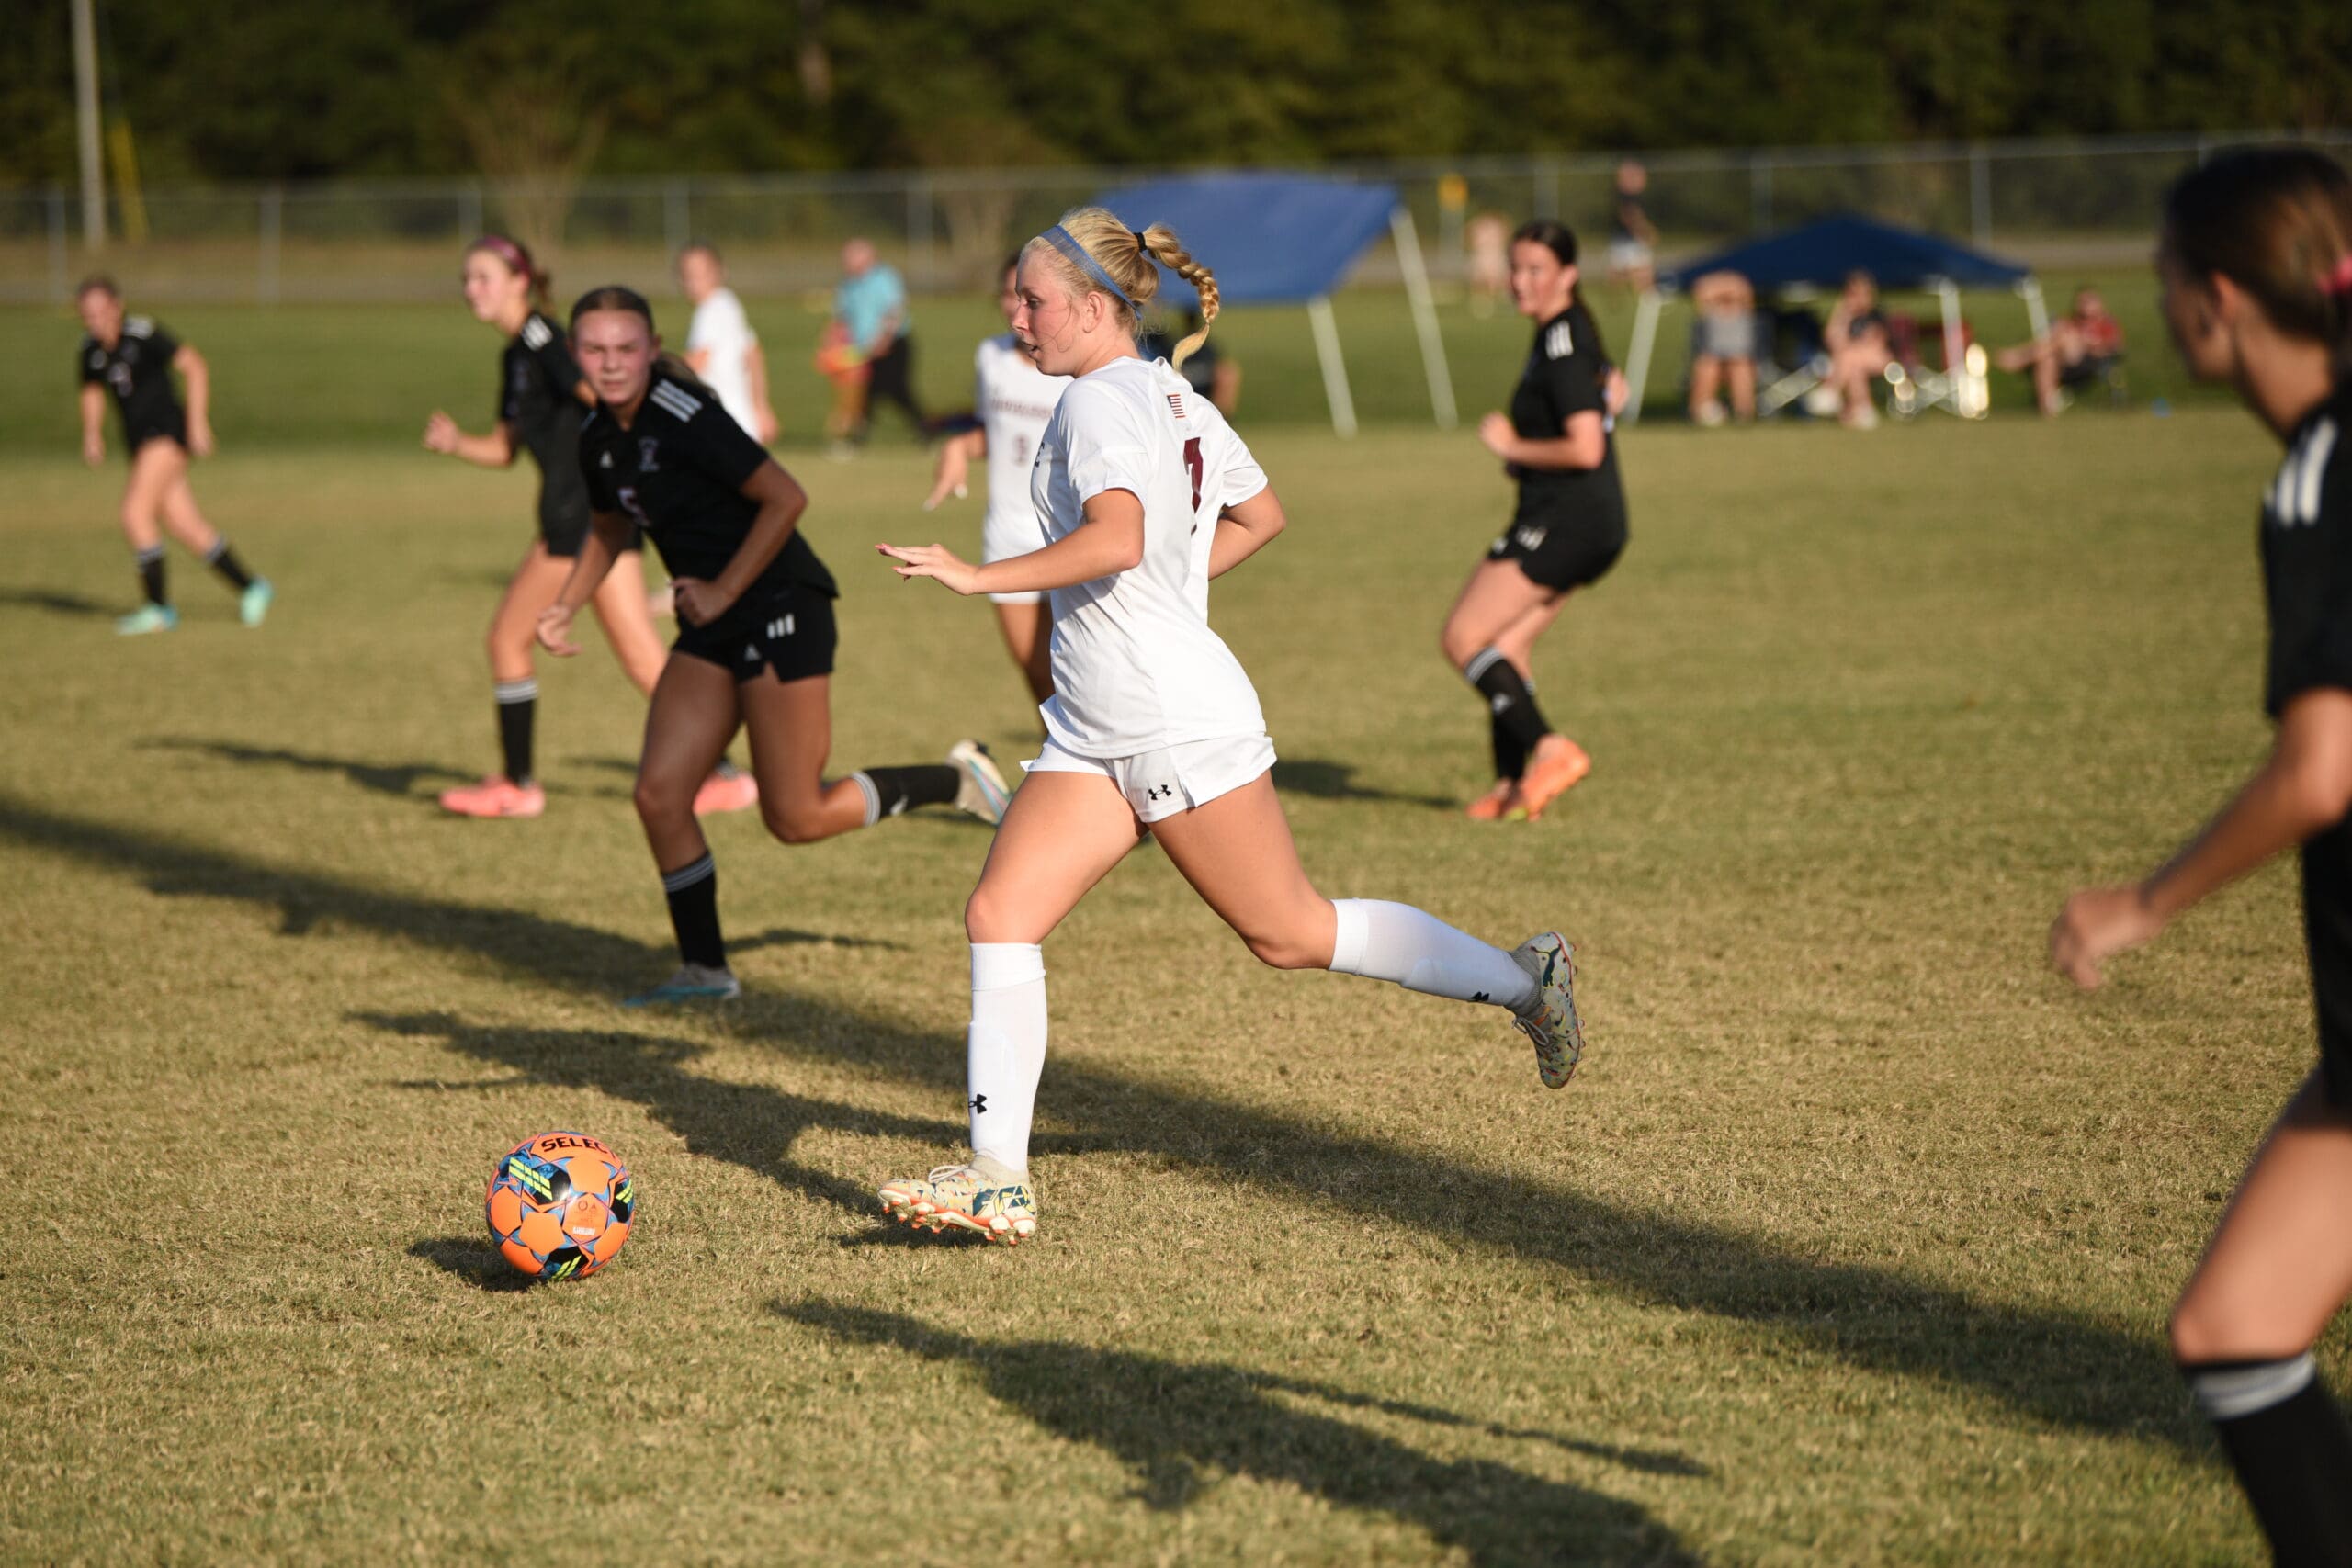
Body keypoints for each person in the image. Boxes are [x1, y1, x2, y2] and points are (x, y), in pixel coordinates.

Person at [872, 209, 1585, 1246]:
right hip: (1095, 725)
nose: (1014, 316)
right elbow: (1259, 517)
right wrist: (1160, 591)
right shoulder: (1168, 389)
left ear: (1094, 307)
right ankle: (997, 1177)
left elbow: (1116, 538)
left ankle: (1530, 980)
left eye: (1031, 301)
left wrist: (984, 576)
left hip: (1167, 719)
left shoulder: (1101, 404)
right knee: (1001, 915)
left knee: (1289, 933)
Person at [2049, 146, 2352, 1565]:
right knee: (2234, 1330)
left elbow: (2322, 768)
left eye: (2164, 280)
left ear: (2218, 301)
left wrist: (2141, 903)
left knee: (2236, 1330)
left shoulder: (2318, 483)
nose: (2162, 306)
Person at [539, 286, 1010, 1005]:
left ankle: (954, 782)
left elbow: (786, 496)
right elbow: (609, 528)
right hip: (712, 619)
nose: (611, 363)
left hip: (781, 604)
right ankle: (705, 971)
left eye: (626, 347)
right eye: (595, 349)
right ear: (577, 352)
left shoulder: (685, 414)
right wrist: (565, 605)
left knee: (795, 817)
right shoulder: (598, 437)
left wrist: (724, 590)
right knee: (660, 794)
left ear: (651, 345)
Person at [423, 236, 754, 820]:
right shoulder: (516, 354)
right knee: (644, 659)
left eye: (482, 277)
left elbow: (605, 393)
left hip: (578, 519)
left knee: (506, 640)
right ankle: (722, 777)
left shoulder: (543, 339)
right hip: (605, 518)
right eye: (466, 279)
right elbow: (503, 450)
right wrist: (455, 444)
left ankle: (518, 786)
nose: (471, 288)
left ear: (519, 281)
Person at [1440, 220, 1628, 825]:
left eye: (1535, 270)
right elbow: (1597, 414)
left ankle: (1551, 749)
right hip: (1587, 520)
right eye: (1516, 267)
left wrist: (1513, 447)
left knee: (1464, 638)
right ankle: (1513, 785)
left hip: (1566, 520)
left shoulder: (1562, 343)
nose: (1519, 280)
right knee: (1507, 648)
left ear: (1568, 276)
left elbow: (1585, 449)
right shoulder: (1564, 332)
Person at [74, 276, 273, 636]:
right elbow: (91, 391)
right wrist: (91, 434)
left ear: (117, 306)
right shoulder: (90, 350)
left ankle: (158, 609)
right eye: (87, 315)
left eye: (101, 312)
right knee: (187, 526)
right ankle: (252, 587)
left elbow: (194, 366)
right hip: (140, 445)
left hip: (166, 434)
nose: (95, 321)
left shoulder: (143, 333)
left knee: (135, 514)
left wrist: (196, 424)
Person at [922, 254, 1070, 707]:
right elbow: (997, 436)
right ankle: (1067, 772)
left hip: (1067, 533)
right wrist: (957, 447)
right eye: (1009, 294)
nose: (1016, 307)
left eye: (1028, 296)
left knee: (1080, 669)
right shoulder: (990, 357)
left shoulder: (1073, 369)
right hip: (1007, 532)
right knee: (1036, 673)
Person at [677, 243, 778, 445]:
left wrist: (656, 373)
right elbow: (753, 353)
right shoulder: (728, 302)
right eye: (689, 274)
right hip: (740, 416)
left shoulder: (711, 309)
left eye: (702, 273)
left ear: (720, 272)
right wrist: (760, 406)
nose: (694, 282)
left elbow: (698, 361)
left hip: (719, 418)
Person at [833, 238, 927, 446]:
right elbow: (842, 315)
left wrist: (884, 340)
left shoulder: (884, 278)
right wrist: (837, 342)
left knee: (897, 391)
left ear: (866, 258)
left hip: (891, 345)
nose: (846, 263)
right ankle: (857, 438)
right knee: (864, 393)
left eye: (850, 259)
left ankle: (925, 428)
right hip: (862, 349)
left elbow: (894, 311)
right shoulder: (848, 284)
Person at [1995, 285, 2126, 415]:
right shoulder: (2071, 321)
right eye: (2082, 301)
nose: (2085, 305)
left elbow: (2114, 346)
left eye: (2089, 301)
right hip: (2063, 362)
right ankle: (2047, 411)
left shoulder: (2105, 323)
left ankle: (2020, 358)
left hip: (2088, 362)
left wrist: (2088, 344)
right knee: (2047, 359)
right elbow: (2048, 339)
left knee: (2066, 336)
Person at [1823, 270, 1895, 429]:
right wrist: (1843, 314)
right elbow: (1832, 340)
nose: (1856, 298)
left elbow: (1876, 343)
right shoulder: (1847, 316)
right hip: (1851, 361)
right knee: (1854, 367)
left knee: (1850, 357)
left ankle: (1831, 391)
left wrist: (1849, 348)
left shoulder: (1876, 315)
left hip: (1882, 359)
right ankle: (1863, 410)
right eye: (1852, 293)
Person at [1688, 269, 1758, 425]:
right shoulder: (1708, 313)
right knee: (1707, 368)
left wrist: (1726, 292)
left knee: (1740, 367)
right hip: (1712, 355)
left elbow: (1743, 290)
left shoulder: (1744, 311)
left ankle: (1744, 415)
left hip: (1740, 356)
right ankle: (1701, 413)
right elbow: (1703, 291)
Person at [1140, 307, 1240, 415]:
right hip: (1170, 399)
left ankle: (1221, 420)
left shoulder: (1206, 350)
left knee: (1227, 374)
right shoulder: (1160, 347)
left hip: (1199, 392)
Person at [1605, 161, 1657, 294]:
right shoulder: (1629, 197)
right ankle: (1647, 297)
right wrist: (1644, 232)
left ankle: (1616, 296)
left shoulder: (1624, 196)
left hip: (1622, 239)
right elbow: (1630, 216)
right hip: (1630, 239)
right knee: (1643, 271)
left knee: (1623, 271)